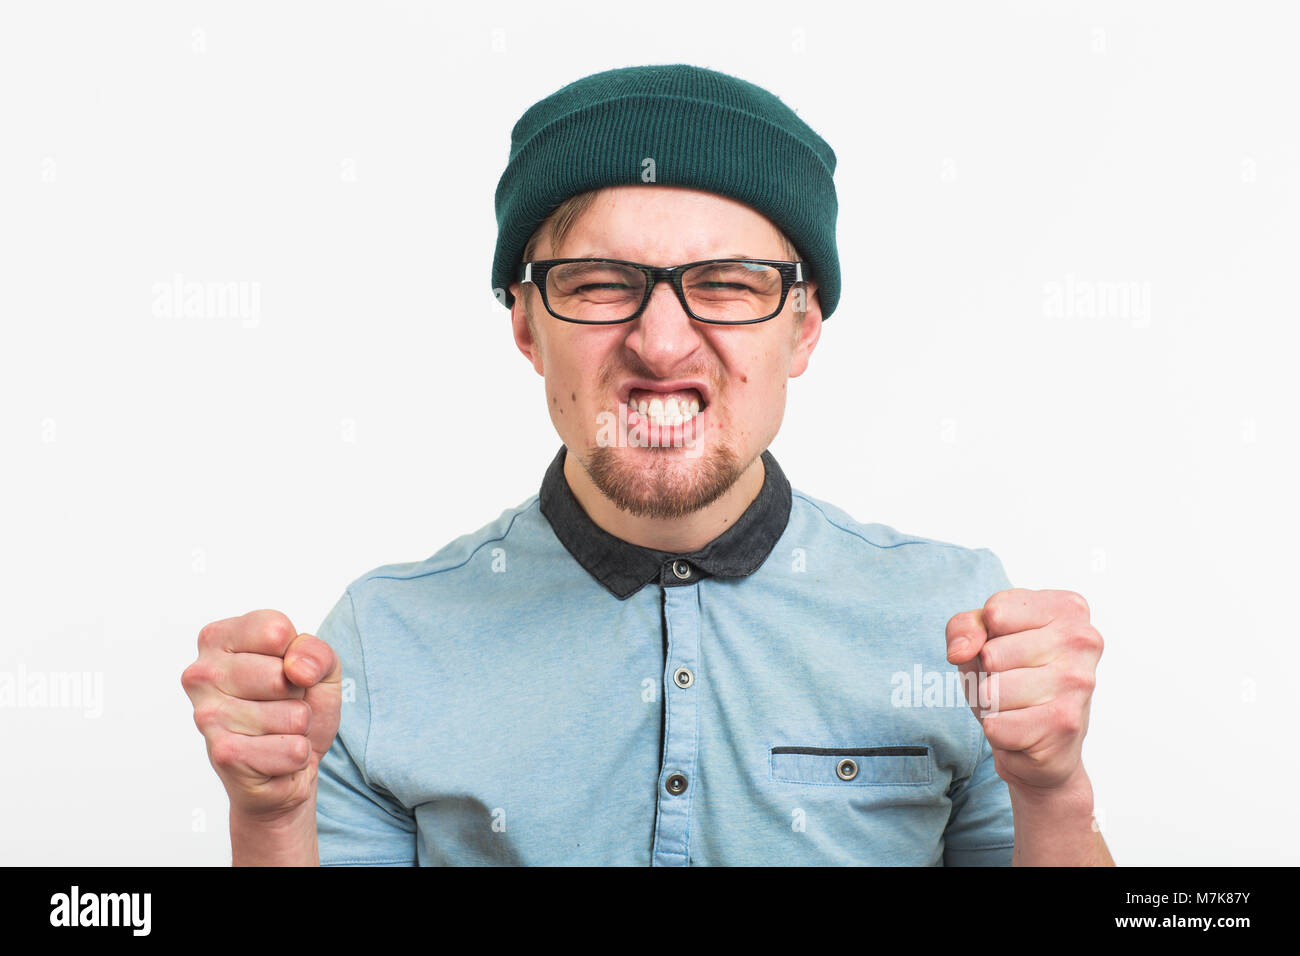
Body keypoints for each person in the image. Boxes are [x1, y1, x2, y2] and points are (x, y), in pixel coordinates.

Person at [182, 64, 1112, 866]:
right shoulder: (384, 642)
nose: (663, 344)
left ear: (803, 326)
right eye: (598, 284)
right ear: (524, 324)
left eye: (726, 285)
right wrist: (270, 819)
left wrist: (1053, 791)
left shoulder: (955, 626)